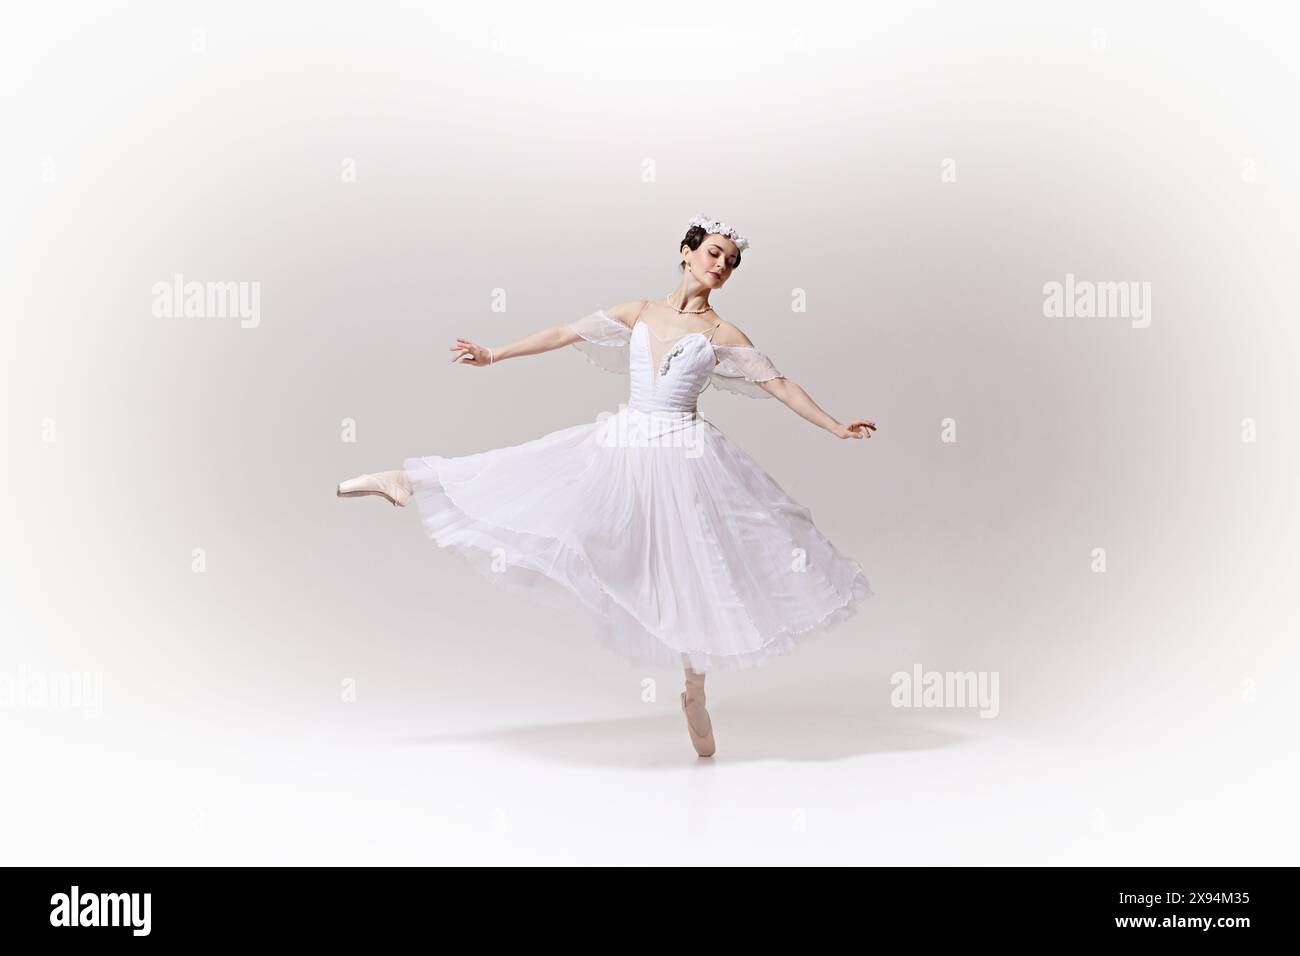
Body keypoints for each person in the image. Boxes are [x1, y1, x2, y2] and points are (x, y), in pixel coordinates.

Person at [338, 214, 878, 757]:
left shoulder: (723, 334)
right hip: (627, 441)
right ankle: (409, 480)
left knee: (695, 565)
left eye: (732, 263)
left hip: (687, 455)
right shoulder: (638, 311)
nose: (722, 266)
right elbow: (561, 332)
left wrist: (835, 425)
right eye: (715, 253)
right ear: (687, 251)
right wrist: (494, 353)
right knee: (541, 480)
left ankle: (694, 691)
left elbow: (778, 383)